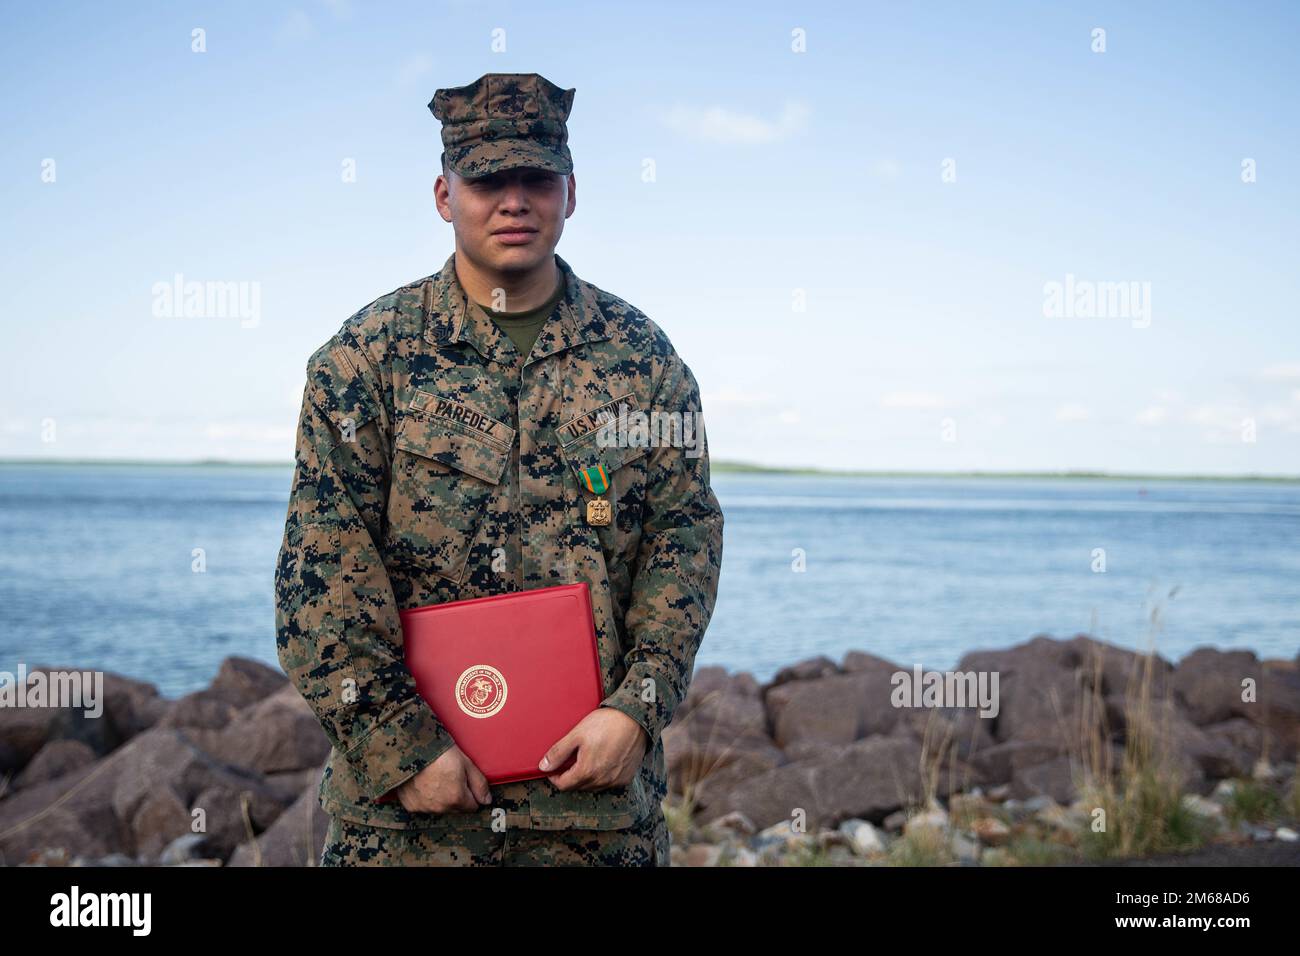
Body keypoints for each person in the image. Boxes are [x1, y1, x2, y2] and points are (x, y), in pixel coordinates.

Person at [274, 72, 724, 866]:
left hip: (592, 821)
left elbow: (682, 543)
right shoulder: (366, 360)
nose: (514, 201)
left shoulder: (644, 362)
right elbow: (325, 567)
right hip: (408, 826)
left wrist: (637, 709)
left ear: (570, 193)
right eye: (488, 180)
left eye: (536, 178)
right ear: (445, 195)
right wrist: (399, 747)